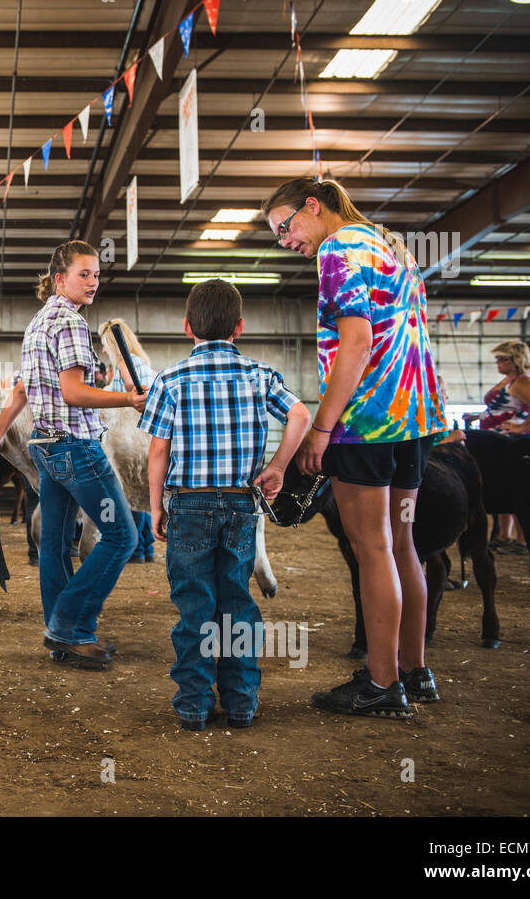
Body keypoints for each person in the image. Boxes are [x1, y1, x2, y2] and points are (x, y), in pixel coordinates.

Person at [266, 176, 447, 719]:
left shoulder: (337, 251)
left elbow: (357, 341)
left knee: (371, 551)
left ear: (313, 207)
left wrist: (321, 429)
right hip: (414, 416)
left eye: (286, 226)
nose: (284, 240)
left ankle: (381, 684)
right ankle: (414, 672)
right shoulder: (389, 246)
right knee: (401, 546)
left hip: (366, 422)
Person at [140, 280, 310, 730]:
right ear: (239, 327)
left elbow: (157, 451)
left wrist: (155, 508)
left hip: (189, 505)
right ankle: (240, 704)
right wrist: (277, 465)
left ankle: (194, 706)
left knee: (195, 605)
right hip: (240, 505)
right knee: (237, 602)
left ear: (186, 327)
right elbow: (301, 415)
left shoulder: (170, 379)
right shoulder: (260, 374)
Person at [0, 240, 146, 669]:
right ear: (59, 278)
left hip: (46, 450)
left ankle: (60, 634)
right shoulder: (69, 323)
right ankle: (70, 625)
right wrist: (127, 399)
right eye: (83, 274)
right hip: (78, 448)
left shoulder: (38, 323)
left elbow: (19, 390)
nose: (92, 282)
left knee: (53, 543)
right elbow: (73, 392)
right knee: (123, 537)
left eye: (96, 275)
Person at [462, 340, 530, 551]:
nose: (498, 362)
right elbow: (502, 408)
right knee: (502, 488)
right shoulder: (510, 381)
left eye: (502, 359)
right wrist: (479, 415)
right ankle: (504, 535)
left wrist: (522, 426)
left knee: (519, 493)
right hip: (499, 442)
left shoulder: (522, 381)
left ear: (515, 360)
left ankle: (522, 540)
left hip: (514, 444)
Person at [100, 318, 158, 563]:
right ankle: (146, 547)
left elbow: (129, 391)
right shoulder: (142, 361)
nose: (103, 349)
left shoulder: (124, 363)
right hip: (147, 434)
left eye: (104, 344)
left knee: (128, 493)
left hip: (128, 433)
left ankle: (133, 549)